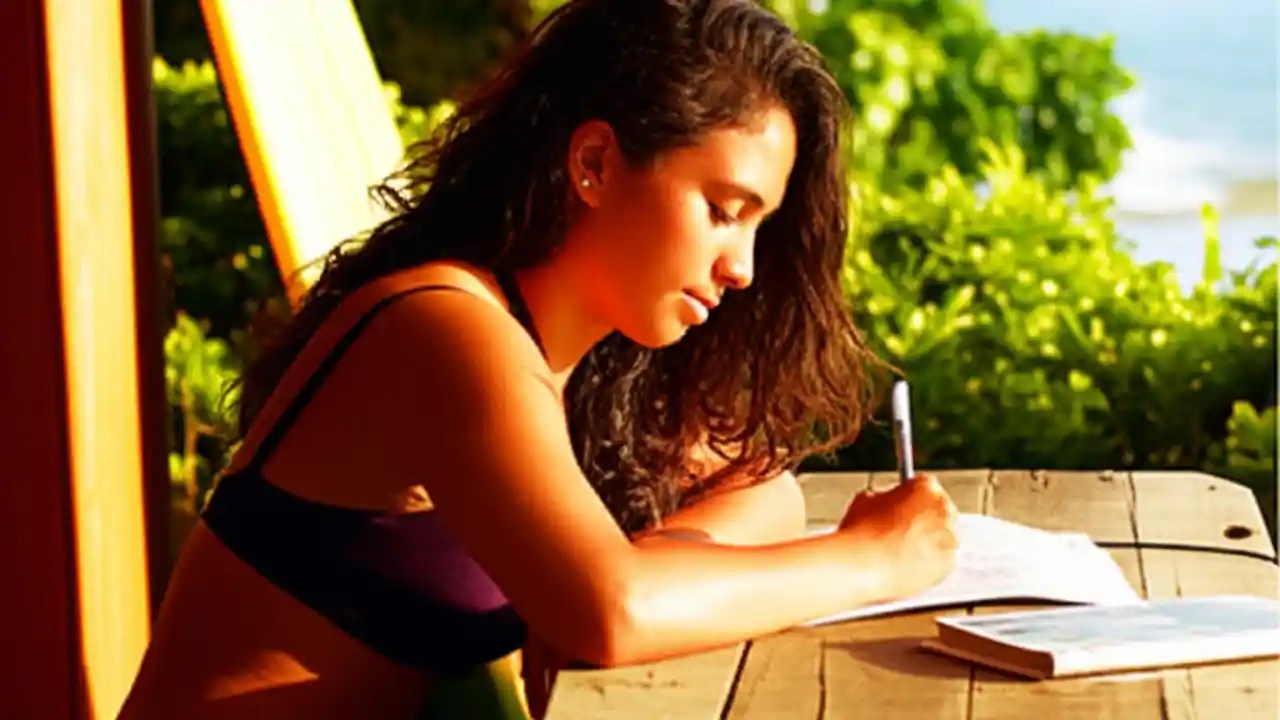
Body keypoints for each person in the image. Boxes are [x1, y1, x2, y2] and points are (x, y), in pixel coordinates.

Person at [120, 0, 958, 717]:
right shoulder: (446, 331)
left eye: (756, 227)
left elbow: (760, 489)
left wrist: (662, 563)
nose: (741, 267)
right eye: (722, 209)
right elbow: (611, 611)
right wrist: (875, 560)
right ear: (594, 164)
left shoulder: (578, 360)